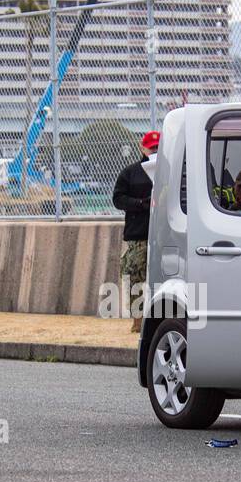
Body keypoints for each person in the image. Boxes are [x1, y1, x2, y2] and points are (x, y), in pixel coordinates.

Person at [113, 130, 158, 332]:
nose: (154, 151)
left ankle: (160, 317)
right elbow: (118, 199)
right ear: (143, 148)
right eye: (151, 148)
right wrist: (141, 203)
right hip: (138, 234)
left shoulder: (171, 170)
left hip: (165, 234)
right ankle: (138, 319)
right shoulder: (130, 172)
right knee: (134, 276)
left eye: (157, 147)